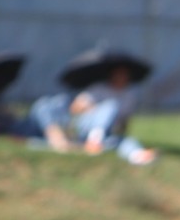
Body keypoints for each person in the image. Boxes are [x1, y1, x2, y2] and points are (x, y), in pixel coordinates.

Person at [26, 65, 156, 165]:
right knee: (110, 106)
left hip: (105, 131)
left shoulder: (130, 96)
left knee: (123, 140)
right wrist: (93, 109)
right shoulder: (98, 88)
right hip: (84, 126)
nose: (121, 77)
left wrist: (118, 130)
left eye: (124, 75)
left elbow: (123, 122)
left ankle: (137, 155)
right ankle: (92, 139)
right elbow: (75, 107)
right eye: (119, 74)